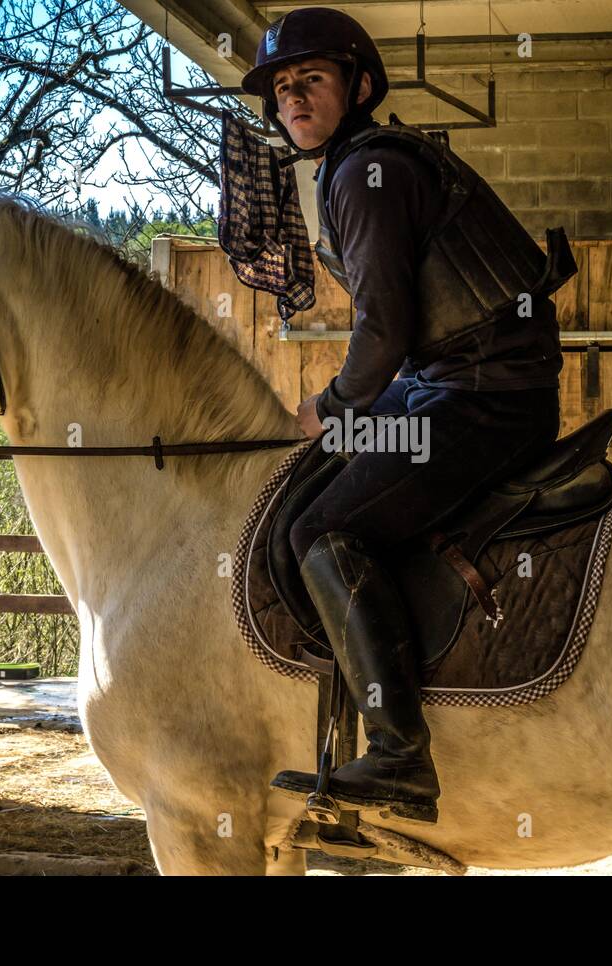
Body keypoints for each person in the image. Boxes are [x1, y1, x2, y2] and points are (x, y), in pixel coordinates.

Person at [240, 7, 573, 825]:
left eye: (310, 80)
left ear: (357, 84)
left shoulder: (365, 172)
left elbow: (382, 329)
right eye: (282, 88)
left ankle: (397, 755)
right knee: (312, 485)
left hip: (479, 399)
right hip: (452, 385)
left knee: (321, 533)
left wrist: (335, 404)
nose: (294, 98)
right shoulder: (365, 163)